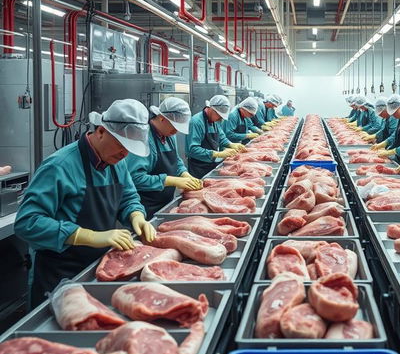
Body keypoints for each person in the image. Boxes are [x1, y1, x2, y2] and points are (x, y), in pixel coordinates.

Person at [14, 99, 156, 306]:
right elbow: (27, 222)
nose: (125, 153)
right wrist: (86, 236)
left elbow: (128, 197)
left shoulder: (117, 161)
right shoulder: (59, 166)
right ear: (100, 131)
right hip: (59, 275)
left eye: (130, 148)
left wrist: (136, 215)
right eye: (121, 145)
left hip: (99, 268)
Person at [126, 97, 202, 219]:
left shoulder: (169, 134)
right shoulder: (144, 138)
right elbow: (134, 178)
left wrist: (184, 174)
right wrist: (169, 180)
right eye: (175, 126)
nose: (176, 131)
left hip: (166, 203)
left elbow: (176, 160)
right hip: (144, 208)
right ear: (162, 118)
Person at [185, 95, 242, 178]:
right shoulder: (196, 122)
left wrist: (231, 144)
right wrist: (216, 154)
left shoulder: (215, 121)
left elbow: (221, 137)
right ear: (212, 110)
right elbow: (193, 150)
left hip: (212, 163)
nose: (220, 119)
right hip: (198, 166)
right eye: (219, 116)